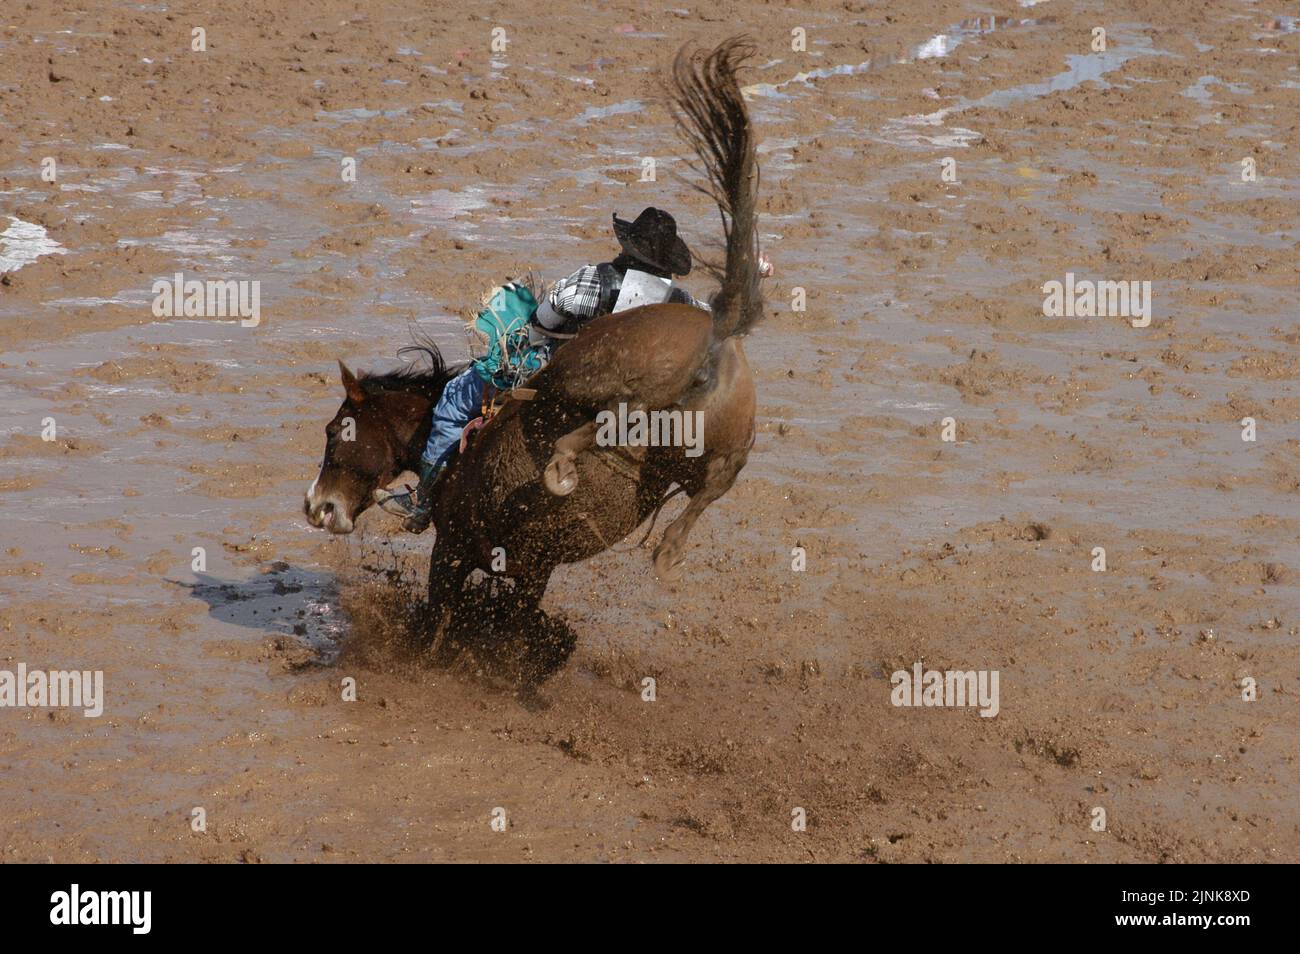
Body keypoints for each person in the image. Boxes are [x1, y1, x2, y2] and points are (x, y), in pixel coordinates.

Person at [377, 207, 712, 533]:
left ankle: (421, 504)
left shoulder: (593, 281)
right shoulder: (681, 305)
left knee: (453, 399)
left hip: (575, 388)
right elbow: (714, 328)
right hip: (638, 406)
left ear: (627, 247)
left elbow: (541, 323)